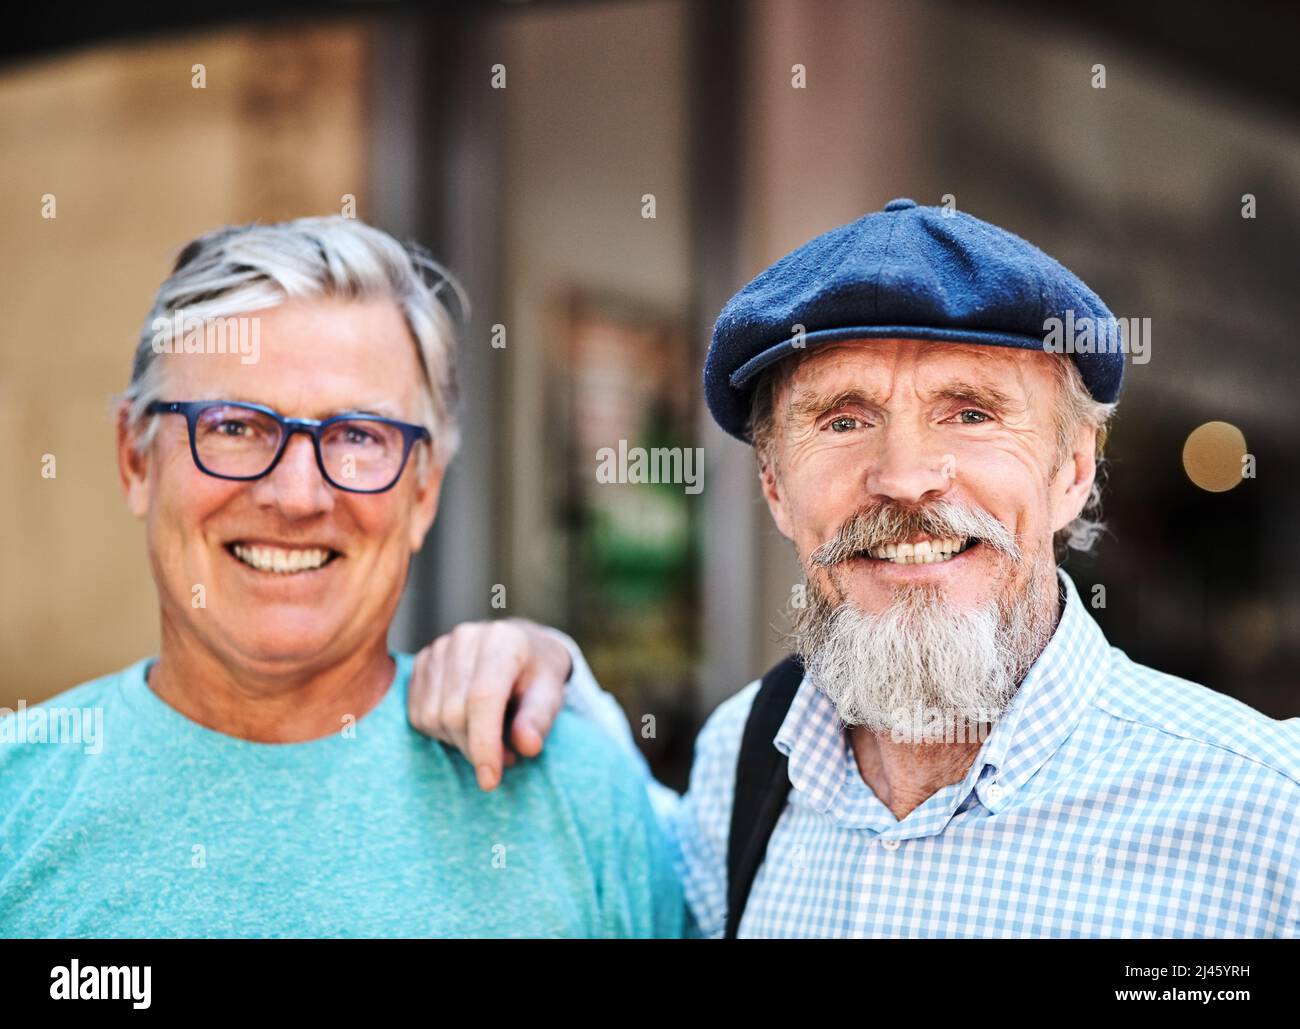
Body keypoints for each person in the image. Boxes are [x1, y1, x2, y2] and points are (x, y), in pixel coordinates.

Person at [408, 199, 1300, 938]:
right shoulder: (742, 765)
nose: (905, 476)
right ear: (774, 486)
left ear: (1072, 469)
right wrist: (534, 658)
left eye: (971, 412)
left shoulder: (1265, 817)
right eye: (842, 419)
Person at [0, 217, 681, 939]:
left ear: (424, 493)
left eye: (358, 436)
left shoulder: (577, 800)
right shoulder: (17, 798)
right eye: (234, 426)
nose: (297, 496)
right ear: (135, 461)